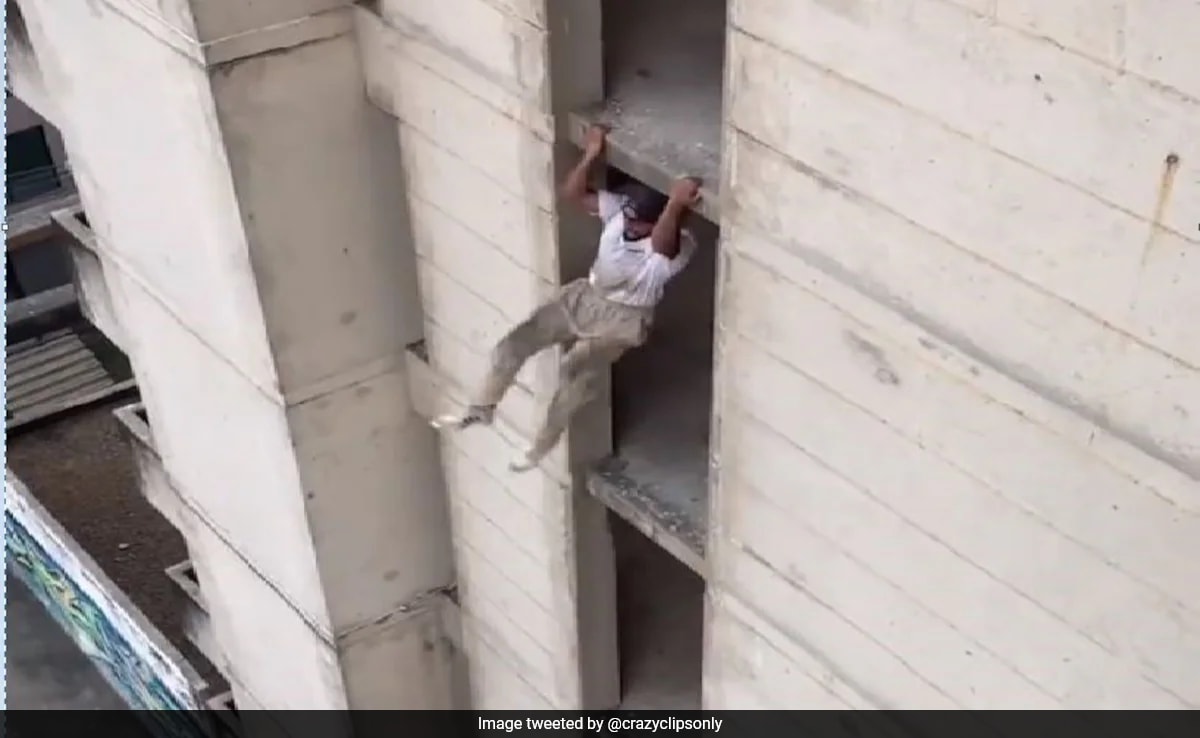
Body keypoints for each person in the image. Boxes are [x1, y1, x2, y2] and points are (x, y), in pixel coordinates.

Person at [433, 124, 702, 472]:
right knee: (515, 343)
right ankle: (482, 407)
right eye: (631, 220)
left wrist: (675, 205)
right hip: (586, 295)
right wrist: (590, 154)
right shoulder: (623, 211)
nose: (632, 228)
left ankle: (539, 447)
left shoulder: (677, 245)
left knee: (572, 375)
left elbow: (664, 244)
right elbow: (573, 194)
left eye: (641, 226)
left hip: (623, 320)